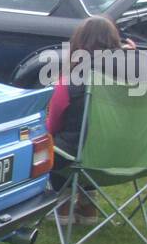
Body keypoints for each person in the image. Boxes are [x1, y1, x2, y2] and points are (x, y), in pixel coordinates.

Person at [47, 15, 134, 223]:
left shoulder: (71, 80)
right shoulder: (137, 78)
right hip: (127, 157)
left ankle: (63, 205)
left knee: (52, 142)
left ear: (79, 44)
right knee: (93, 140)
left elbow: (53, 125)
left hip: (80, 159)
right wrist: (132, 59)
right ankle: (88, 205)